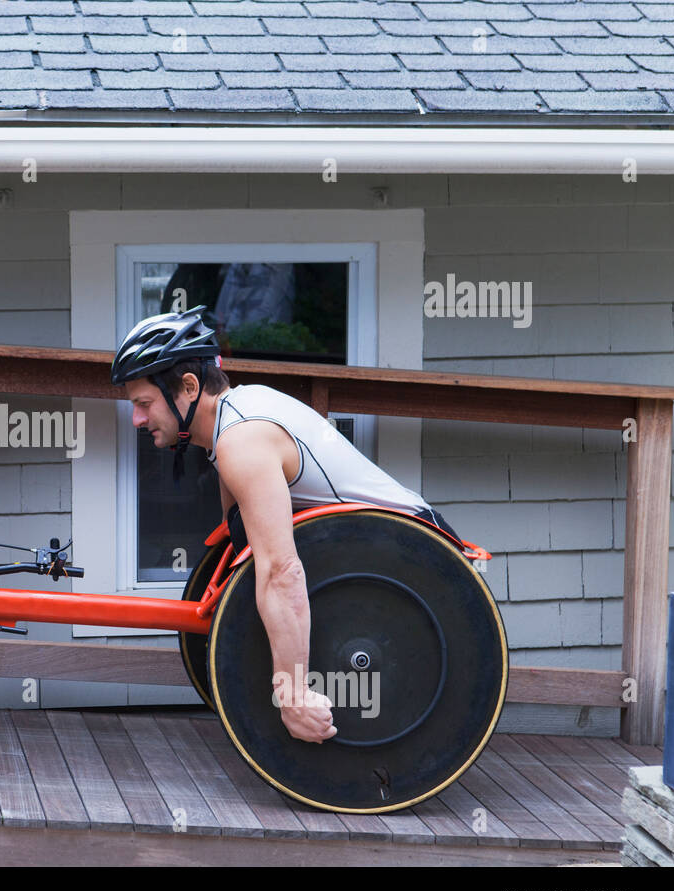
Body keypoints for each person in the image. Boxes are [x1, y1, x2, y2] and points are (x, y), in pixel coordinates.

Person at [111, 305, 458, 745]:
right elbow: (241, 549)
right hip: (389, 555)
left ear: (189, 386)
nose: (138, 420)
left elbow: (281, 571)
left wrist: (294, 695)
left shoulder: (241, 439)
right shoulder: (235, 420)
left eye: (143, 404)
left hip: (416, 566)